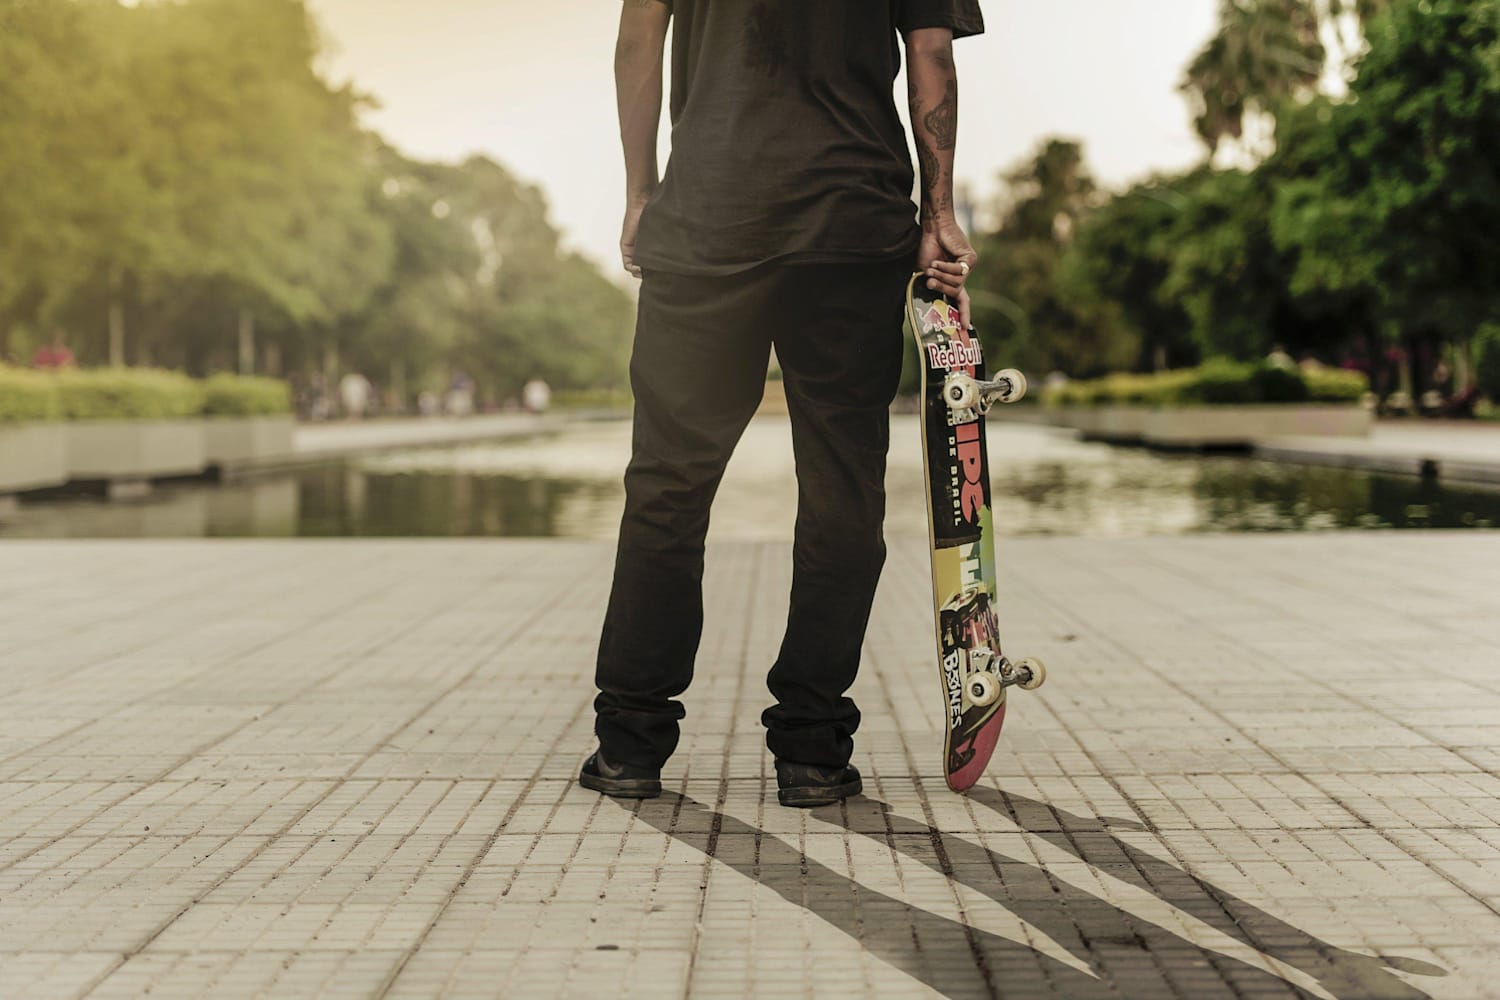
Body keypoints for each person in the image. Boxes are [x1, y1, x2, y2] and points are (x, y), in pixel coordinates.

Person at [582, 0, 983, 807]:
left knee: (668, 485)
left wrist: (641, 191)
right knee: (842, 488)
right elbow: (932, 56)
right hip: (852, 225)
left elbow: (637, 37)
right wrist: (938, 215)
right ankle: (812, 749)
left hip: (707, 221)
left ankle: (630, 745)